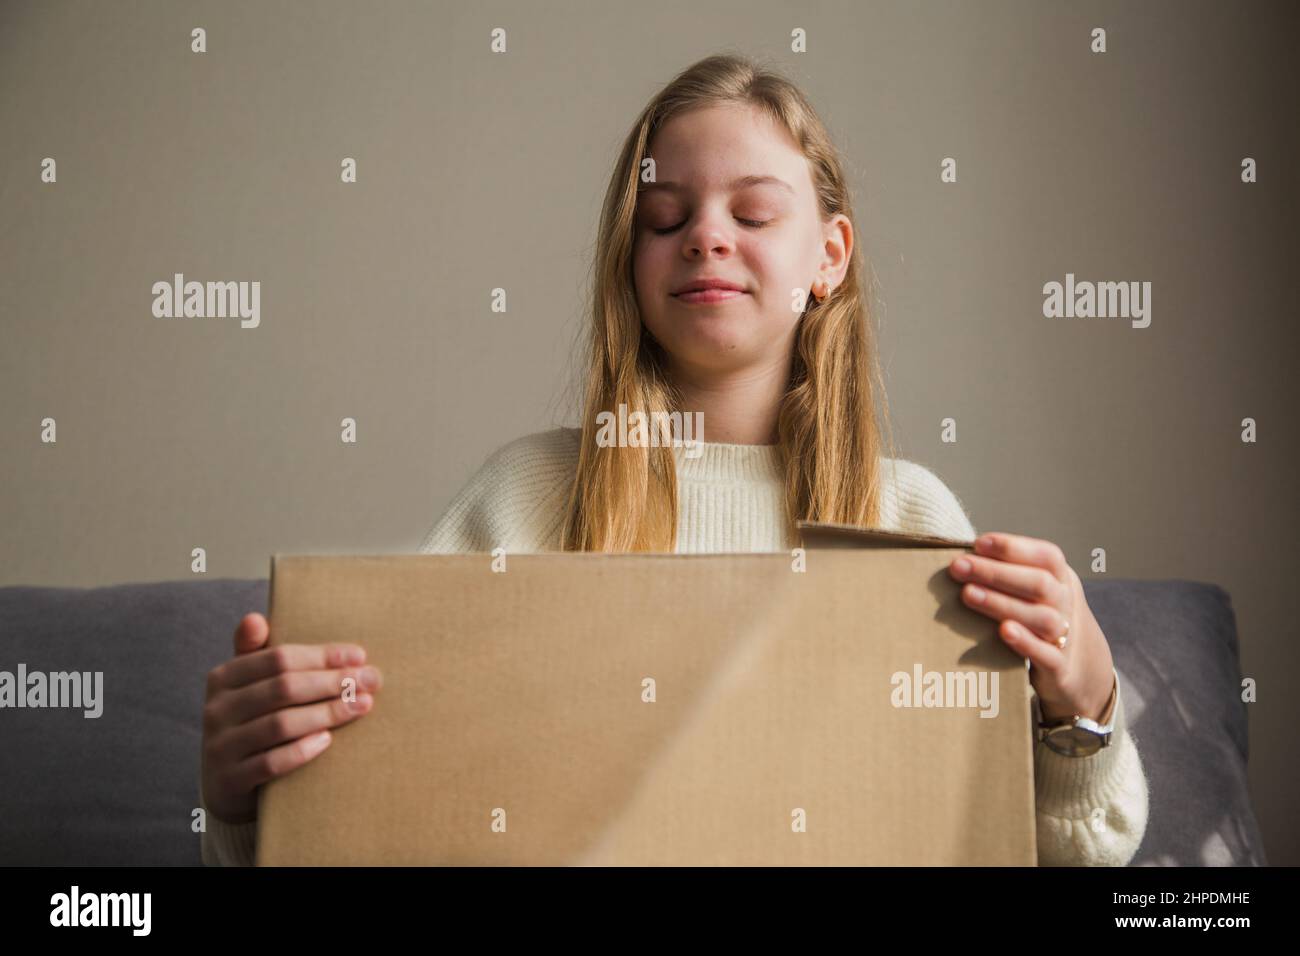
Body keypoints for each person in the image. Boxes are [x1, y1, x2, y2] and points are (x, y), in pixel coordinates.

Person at [200, 53, 1148, 867]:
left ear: (830, 257)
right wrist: (247, 798)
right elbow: (383, 814)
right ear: (632, 264)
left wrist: (1087, 705)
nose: (704, 235)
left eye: (754, 212)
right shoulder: (523, 499)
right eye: (665, 217)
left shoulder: (910, 518)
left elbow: (1078, 850)